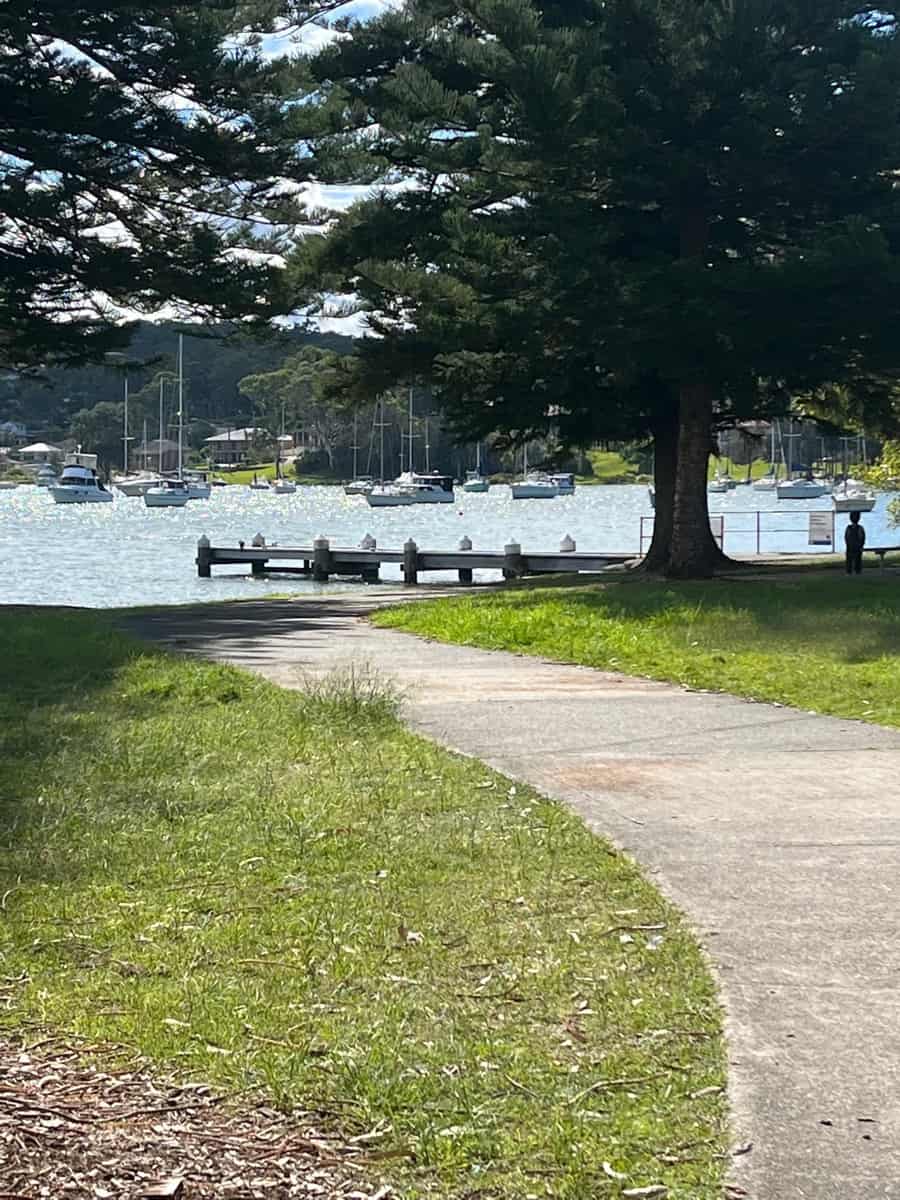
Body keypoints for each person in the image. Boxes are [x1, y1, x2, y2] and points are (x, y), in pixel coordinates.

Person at [844, 511, 865, 575]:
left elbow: (846, 538)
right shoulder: (860, 528)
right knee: (857, 560)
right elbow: (862, 538)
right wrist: (861, 546)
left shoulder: (848, 528)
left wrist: (848, 544)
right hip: (857, 547)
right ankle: (857, 571)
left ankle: (849, 572)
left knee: (849, 560)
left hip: (850, 547)